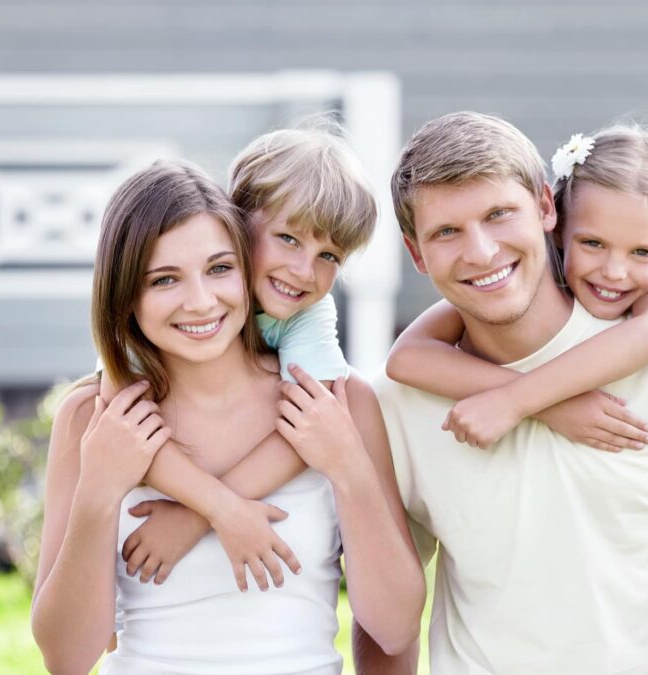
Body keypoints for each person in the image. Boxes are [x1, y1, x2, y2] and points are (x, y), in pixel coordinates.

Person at [357, 112, 648, 674]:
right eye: (446, 232)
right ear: (417, 255)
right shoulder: (397, 400)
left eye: (498, 215)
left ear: (544, 207)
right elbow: (386, 621)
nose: (482, 252)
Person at [31, 160, 423, 674]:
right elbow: (66, 659)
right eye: (165, 279)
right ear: (125, 293)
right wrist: (99, 493)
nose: (201, 302)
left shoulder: (338, 405)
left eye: (219, 269)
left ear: (245, 266)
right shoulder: (92, 417)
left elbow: (395, 629)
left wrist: (348, 468)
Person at [102, 126, 378, 593]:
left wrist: (194, 517)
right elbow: (122, 425)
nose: (303, 271)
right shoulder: (159, 307)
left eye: (329, 254)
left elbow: (310, 427)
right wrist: (221, 509)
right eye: (288, 239)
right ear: (237, 218)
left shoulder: (308, 311)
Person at [386, 123, 648, 453]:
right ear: (559, 225)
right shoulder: (503, 285)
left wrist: (516, 401)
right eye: (592, 243)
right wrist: (552, 407)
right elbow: (406, 359)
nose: (615, 272)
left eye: (642, 252)